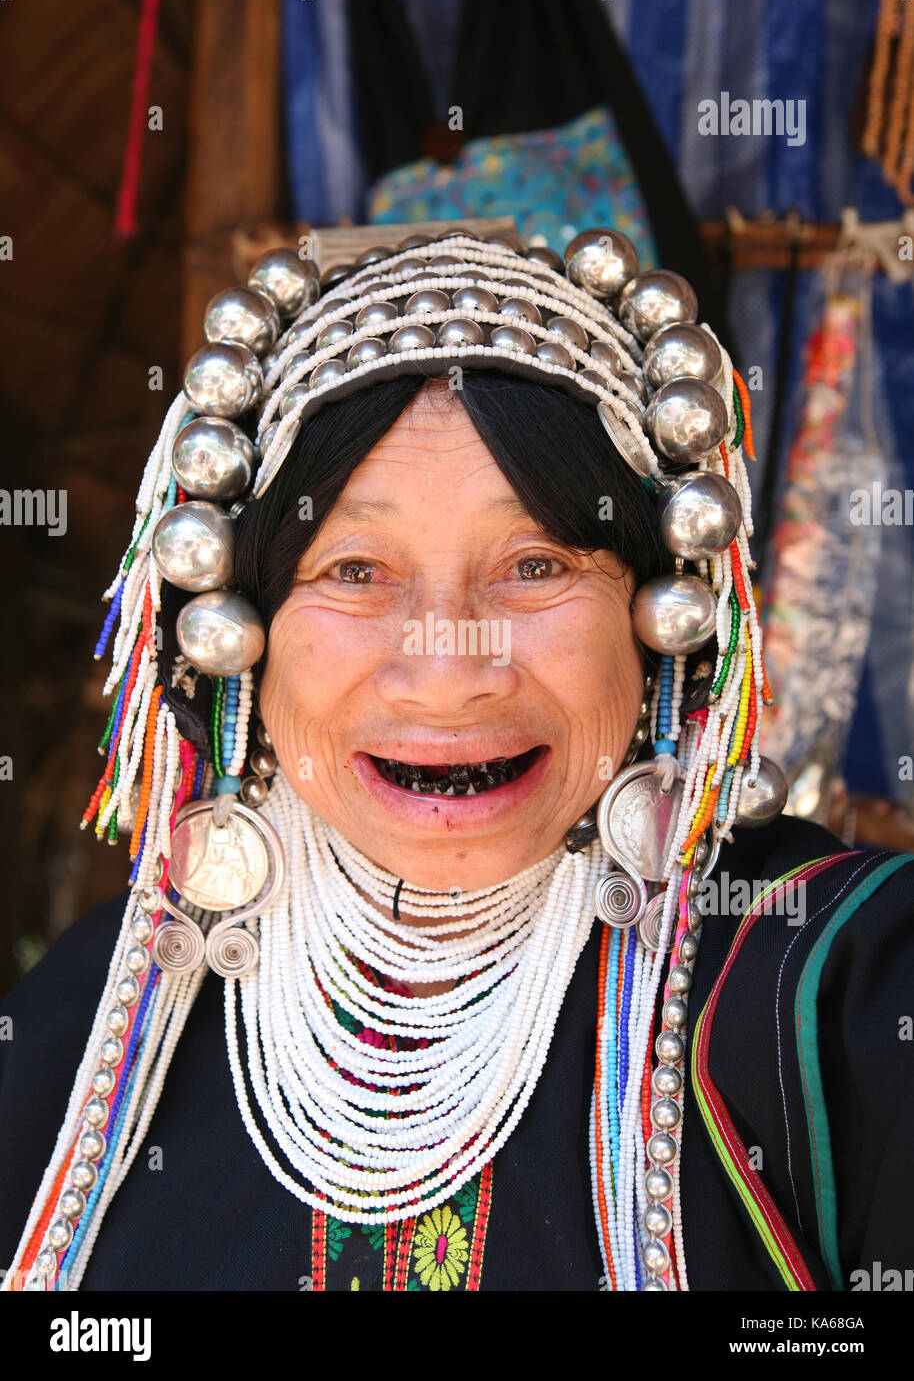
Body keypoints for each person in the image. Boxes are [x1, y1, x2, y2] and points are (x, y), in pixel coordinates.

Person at [1, 228, 911, 1293]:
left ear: (657, 614)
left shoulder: (837, 990)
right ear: (239, 628)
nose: (445, 670)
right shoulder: (94, 1024)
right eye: (354, 568)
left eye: (534, 564)